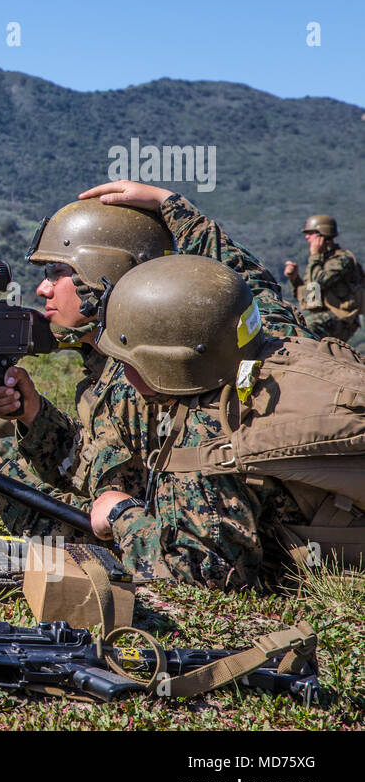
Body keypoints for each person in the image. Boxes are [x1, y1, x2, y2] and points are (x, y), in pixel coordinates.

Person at [0, 180, 309, 543]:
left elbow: (112, 534)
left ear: (101, 275)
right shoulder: (242, 333)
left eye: (57, 273)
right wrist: (35, 416)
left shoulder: (150, 381)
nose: (42, 288)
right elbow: (254, 285)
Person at [88, 252, 365, 589]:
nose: (122, 371)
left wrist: (121, 514)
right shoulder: (282, 351)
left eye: (125, 360)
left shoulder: (208, 439)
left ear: (163, 363)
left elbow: (203, 578)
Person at [284, 215, 363, 343]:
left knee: (305, 329)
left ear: (323, 235)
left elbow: (319, 283)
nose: (307, 237)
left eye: (310, 233)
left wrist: (314, 256)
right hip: (325, 316)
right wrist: (294, 279)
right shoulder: (321, 261)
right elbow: (310, 297)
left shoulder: (341, 260)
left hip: (342, 319)